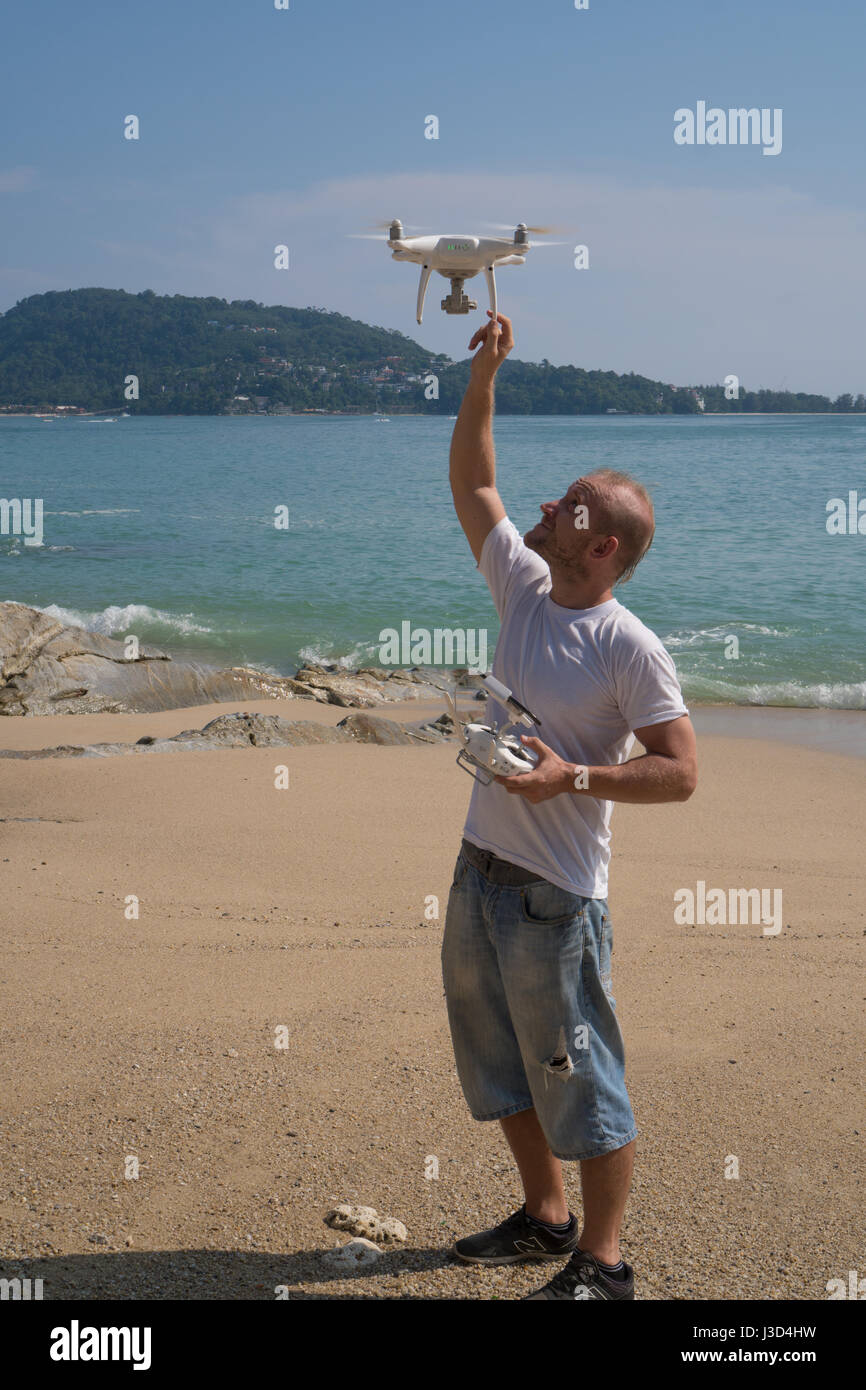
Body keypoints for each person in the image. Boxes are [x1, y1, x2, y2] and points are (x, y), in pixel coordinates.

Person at [443, 311, 697, 1301]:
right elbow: (473, 482)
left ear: (602, 550)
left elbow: (678, 771)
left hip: (556, 897)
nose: (549, 507)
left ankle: (605, 1263)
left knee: (580, 1079)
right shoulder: (523, 585)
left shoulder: (627, 647)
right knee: (497, 1062)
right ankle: (544, 1220)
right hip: (478, 868)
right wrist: (486, 376)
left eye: (573, 507)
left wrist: (572, 778)